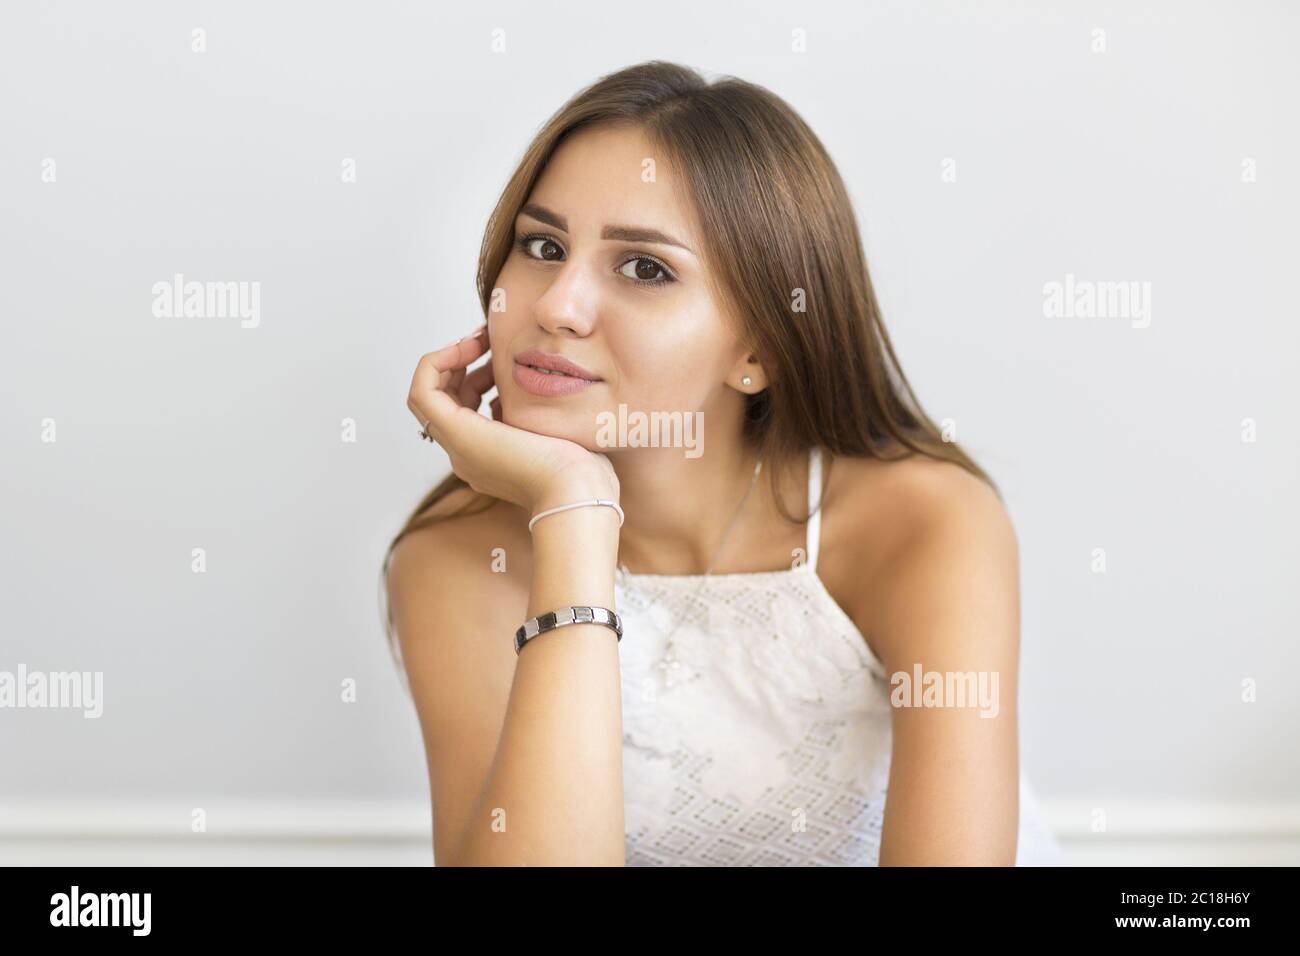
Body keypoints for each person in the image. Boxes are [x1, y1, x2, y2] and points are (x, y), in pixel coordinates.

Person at [383, 60, 1063, 866]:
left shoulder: (922, 523)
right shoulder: (455, 560)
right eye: (542, 244)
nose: (556, 306)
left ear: (758, 349)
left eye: (644, 267)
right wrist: (572, 514)